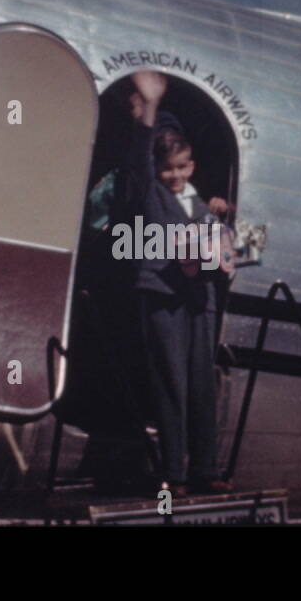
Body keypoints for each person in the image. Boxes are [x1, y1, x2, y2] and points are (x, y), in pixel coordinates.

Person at [122, 70, 234, 497]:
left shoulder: (200, 199)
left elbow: (215, 241)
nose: (174, 175)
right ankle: (175, 472)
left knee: (200, 383)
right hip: (163, 295)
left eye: (181, 167)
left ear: (192, 164)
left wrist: (219, 216)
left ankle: (206, 468)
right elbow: (137, 157)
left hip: (198, 297)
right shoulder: (147, 191)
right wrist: (147, 109)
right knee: (171, 382)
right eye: (166, 168)